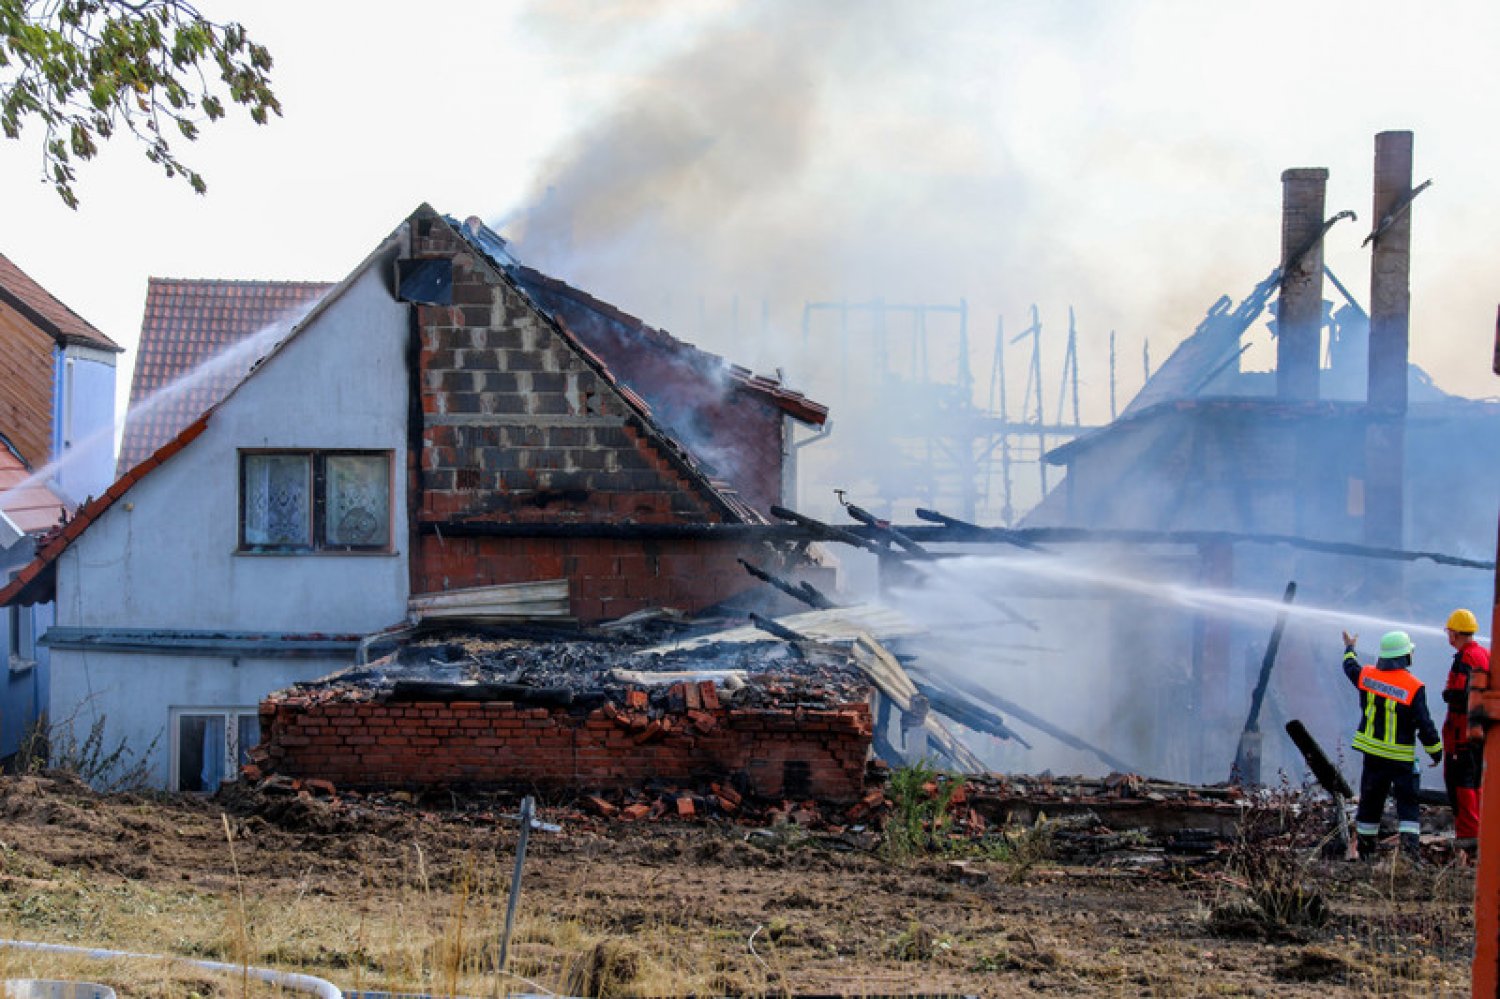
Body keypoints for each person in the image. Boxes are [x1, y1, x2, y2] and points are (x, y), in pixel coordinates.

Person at [1341, 629, 1442, 860]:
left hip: (1373, 756)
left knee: (1370, 803)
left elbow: (1349, 668)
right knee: (1407, 806)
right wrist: (1435, 751)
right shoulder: (1414, 687)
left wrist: (1349, 648)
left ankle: (1365, 853)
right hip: (1401, 759)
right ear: (1405, 656)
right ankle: (1410, 855)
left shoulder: (1368, 676)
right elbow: (1424, 723)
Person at [1441, 608, 1490, 847]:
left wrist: (1447, 694)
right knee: (1475, 783)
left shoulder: (1465, 659)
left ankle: (1468, 838)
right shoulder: (1484, 654)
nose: (1448, 637)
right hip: (1478, 734)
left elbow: (1460, 697)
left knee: (1461, 786)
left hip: (1461, 734)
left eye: (1449, 632)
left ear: (1455, 633)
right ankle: (1478, 831)